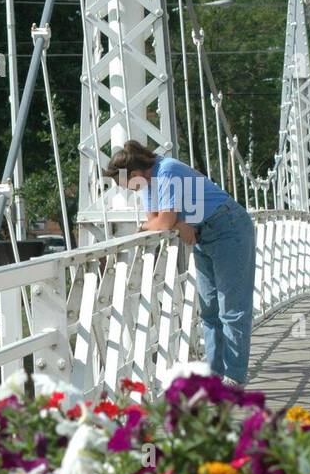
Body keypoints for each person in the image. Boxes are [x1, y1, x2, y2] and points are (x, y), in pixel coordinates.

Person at [103, 139, 256, 385]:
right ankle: (215, 376)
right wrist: (177, 222)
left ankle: (234, 377)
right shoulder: (147, 182)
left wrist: (165, 222)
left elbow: (158, 223)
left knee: (232, 308)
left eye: (128, 184)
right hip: (203, 234)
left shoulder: (167, 170)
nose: (130, 190)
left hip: (229, 228)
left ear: (136, 173)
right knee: (209, 310)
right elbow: (158, 218)